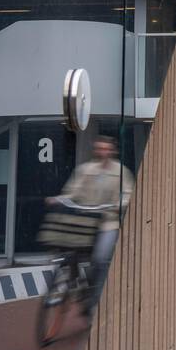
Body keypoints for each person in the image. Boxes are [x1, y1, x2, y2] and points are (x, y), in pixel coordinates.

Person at [47, 135, 132, 318]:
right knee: (67, 250)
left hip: (107, 221)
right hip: (84, 221)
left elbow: (127, 194)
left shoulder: (121, 171)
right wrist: (59, 199)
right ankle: (70, 282)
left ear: (112, 151)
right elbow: (72, 191)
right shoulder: (85, 170)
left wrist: (117, 205)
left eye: (106, 148)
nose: (103, 152)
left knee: (100, 260)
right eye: (99, 148)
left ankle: (93, 301)